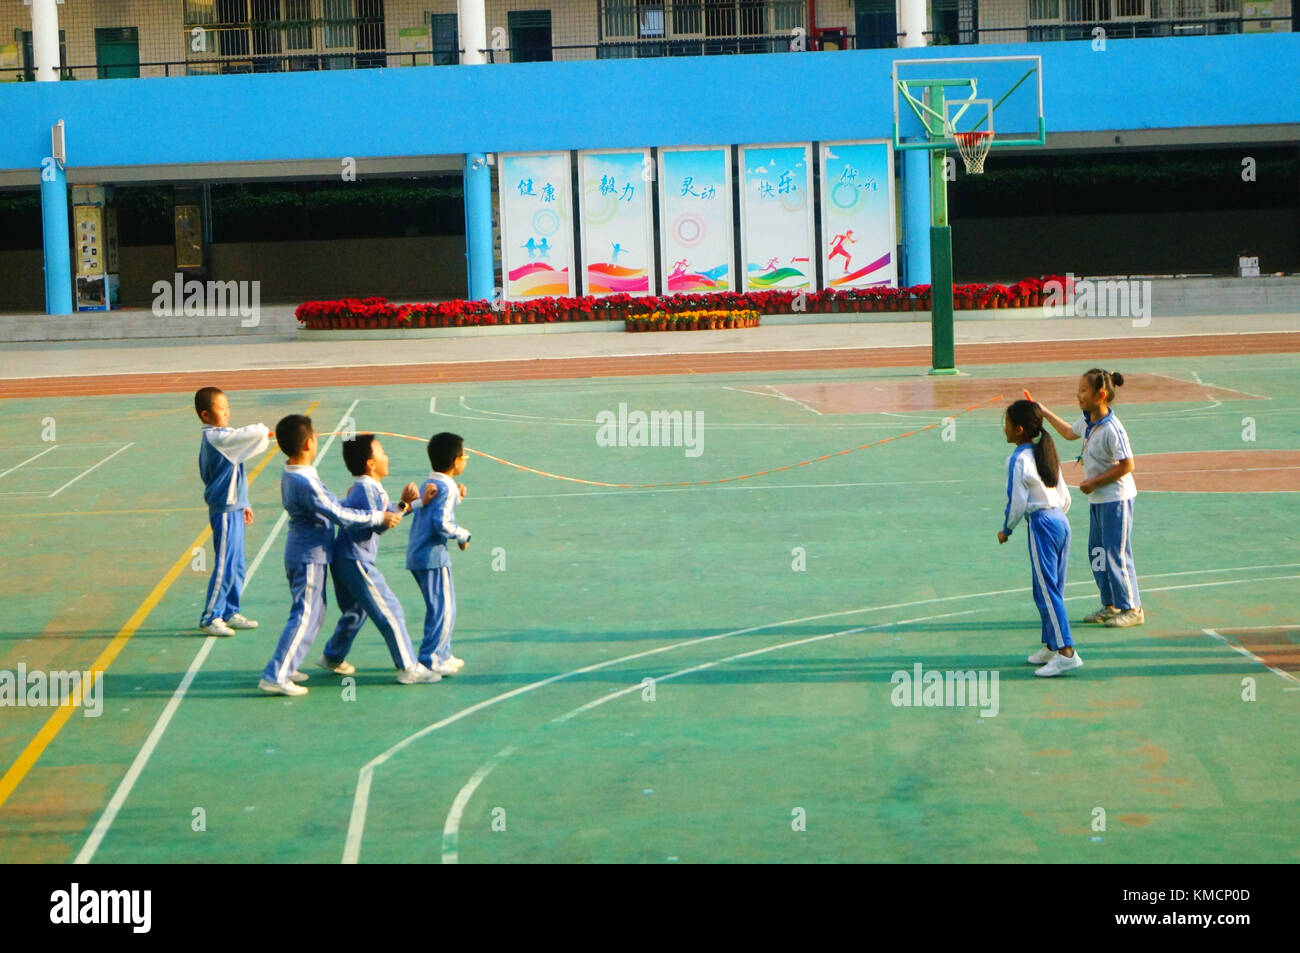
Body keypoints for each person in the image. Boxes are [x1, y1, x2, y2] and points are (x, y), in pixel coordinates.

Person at [258, 415, 401, 697]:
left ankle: (288, 665)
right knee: (306, 615)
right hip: (309, 554)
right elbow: (338, 514)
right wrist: (378, 516)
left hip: (306, 551)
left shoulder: (295, 473)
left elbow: (331, 504)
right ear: (309, 442)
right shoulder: (304, 480)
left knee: (312, 613)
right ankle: (276, 674)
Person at [318, 434, 442, 685]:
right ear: (370, 464)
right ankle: (407, 666)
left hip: (344, 559)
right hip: (356, 560)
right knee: (391, 609)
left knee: (356, 611)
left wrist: (411, 503)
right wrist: (405, 505)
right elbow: (382, 523)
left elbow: (386, 514)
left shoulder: (367, 487)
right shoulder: (368, 487)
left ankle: (333, 655)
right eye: (382, 452)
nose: (387, 456)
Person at [1038, 368, 1144, 628]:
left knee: (1116, 553)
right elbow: (1068, 433)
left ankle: (1132, 607)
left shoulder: (1112, 429)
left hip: (1116, 499)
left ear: (1101, 395)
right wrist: (1044, 412)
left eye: (1084, 390)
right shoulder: (1087, 421)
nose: (1078, 395)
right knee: (1096, 552)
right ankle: (1110, 604)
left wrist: (1095, 482)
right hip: (1098, 500)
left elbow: (1127, 465)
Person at [997, 400, 1079, 677]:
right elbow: (1065, 496)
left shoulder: (1017, 459)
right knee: (1052, 587)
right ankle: (1051, 644)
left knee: (1046, 590)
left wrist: (1006, 529)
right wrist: (1056, 515)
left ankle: (1066, 651)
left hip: (1042, 523)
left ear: (1018, 429)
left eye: (1006, 424)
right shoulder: (1045, 453)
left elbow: (1017, 502)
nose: (1003, 429)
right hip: (1061, 520)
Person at [194, 386, 271, 637]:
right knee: (225, 563)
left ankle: (229, 611)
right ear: (205, 414)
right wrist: (265, 431)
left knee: (237, 564)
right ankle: (210, 616)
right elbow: (253, 433)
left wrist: (244, 502)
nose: (227, 413)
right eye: (221, 409)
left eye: (228, 408)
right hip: (224, 511)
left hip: (235, 507)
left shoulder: (225, 440)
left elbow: (237, 469)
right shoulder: (218, 438)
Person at [407, 433, 471, 677]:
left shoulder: (432, 483)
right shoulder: (446, 487)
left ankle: (443, 652)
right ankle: (431, 657)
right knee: (442, 608)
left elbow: (435, 508)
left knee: (443, 606)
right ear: (455, 461)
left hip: (420, 555)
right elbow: (441, 522)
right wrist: (463, 535)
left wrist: (458, 496)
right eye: (464, 456)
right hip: (432, 557)